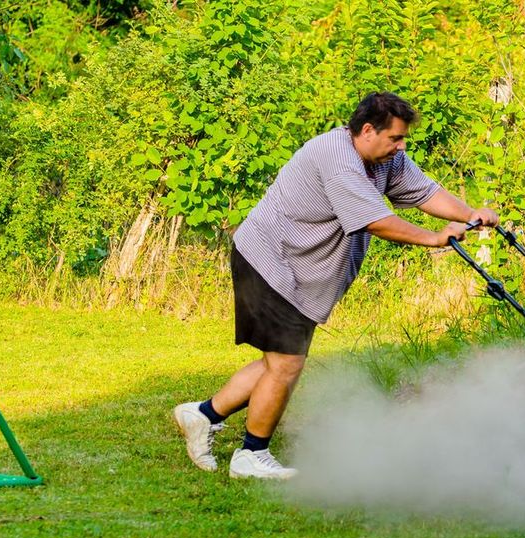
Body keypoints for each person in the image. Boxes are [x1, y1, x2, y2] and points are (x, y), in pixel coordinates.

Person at [174, 92, 498, 479]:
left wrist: (470, 214)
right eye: (396, 138)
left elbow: (424, 191)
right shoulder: (338, 159)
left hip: (300, 270)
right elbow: (375, 221)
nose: (402, 146)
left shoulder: (385, 159)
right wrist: (434, 238)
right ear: (366, 130)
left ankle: (203, 415)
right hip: (270, 260)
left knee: (278, 360)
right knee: (286, 364)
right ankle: (250, 456)